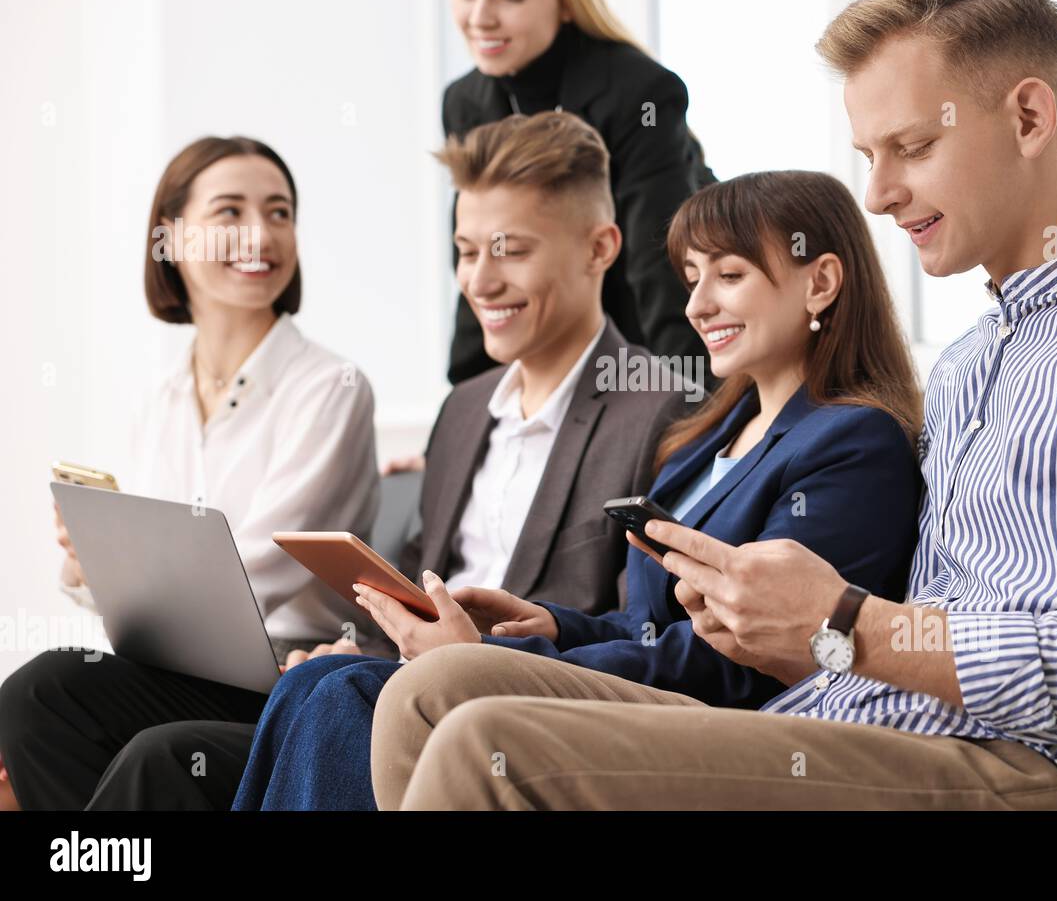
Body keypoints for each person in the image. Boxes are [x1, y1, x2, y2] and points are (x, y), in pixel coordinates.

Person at [369, 0, 1057, 811]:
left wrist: (849, 623)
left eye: (912, 148)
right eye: (869, 157)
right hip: (874, 724)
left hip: (1045, 773)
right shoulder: (974, 361)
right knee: (431, 693)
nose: (880, 193)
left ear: (1028, 117)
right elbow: (898, 634)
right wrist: (786, 630)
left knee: (485, 740)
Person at [76, 111, 696, 810]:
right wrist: (351, 643)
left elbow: (653, 637)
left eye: (510, 250)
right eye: (465, 251)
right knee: (87, 708)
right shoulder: (464, 410)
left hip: (505, 716)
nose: (480, 282)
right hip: (377, 688)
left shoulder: (663, 410)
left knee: (165, 759)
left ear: (599, 248)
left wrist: (478, 657)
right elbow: (405, 589)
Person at [255, 164, 925, 811]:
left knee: (344, 694)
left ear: (822, 282)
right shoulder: (704, 442)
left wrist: (493, 658)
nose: (697, 304)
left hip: (725, 717)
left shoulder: (852, 442)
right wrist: (552, 622)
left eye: (729, 274)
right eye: (692, 278)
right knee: (315, 678)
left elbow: (744, 655)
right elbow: (645, 624)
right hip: (660, 686)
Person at [0, 136, 385, 811]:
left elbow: (245, 578)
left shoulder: (331, 386)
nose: (259, 234)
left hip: (289, 670)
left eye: (279, 212)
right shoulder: (163, 396)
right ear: (170, 238)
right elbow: (165, 596)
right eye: (230, 212)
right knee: (34, 693)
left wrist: (123, 566)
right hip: (184, 666)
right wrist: (94, 562)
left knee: (115, 727)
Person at [443, 0, 714, 383]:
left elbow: (660, 272)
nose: (480, 18)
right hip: (556, 360)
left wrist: (688, 420)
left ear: (567, 0)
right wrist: (460, 433)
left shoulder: (639, 92)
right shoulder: (464, 103)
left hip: (640, 347)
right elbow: (480, 257)